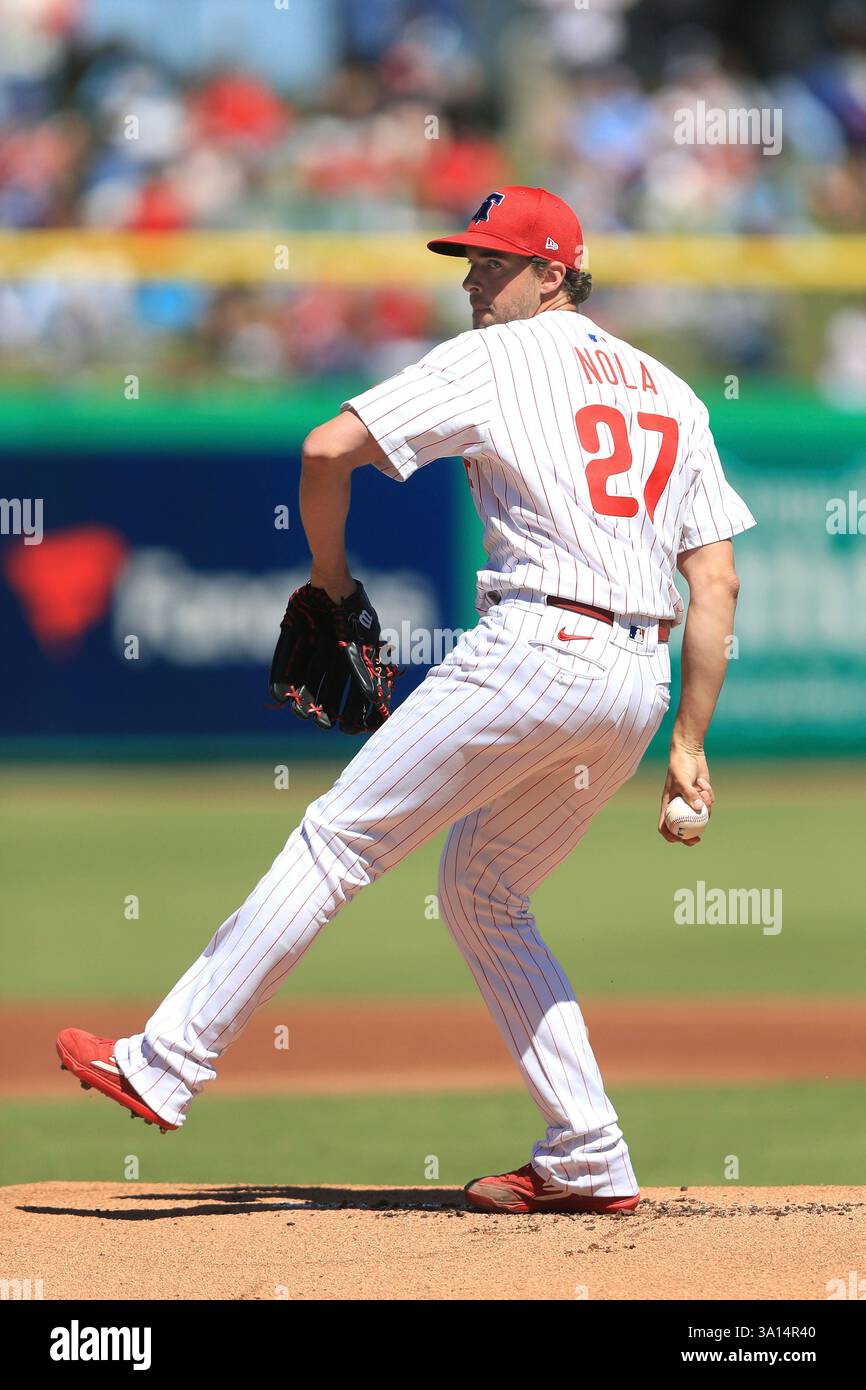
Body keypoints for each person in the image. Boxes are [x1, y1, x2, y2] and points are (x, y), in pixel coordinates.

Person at [57, 186, 755, 1214]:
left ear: (553, 272)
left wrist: (330, 581)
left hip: (532, 647)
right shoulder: (674, 392)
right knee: (482, 891)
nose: (470, 280)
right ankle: (589, 1152)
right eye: (467, 260)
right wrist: (689, 738)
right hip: (632, 683)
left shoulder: (497, 358)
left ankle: (167, 1061)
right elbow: (718, 581)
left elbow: (324, 449)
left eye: (491, 262)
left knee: (337, 842)